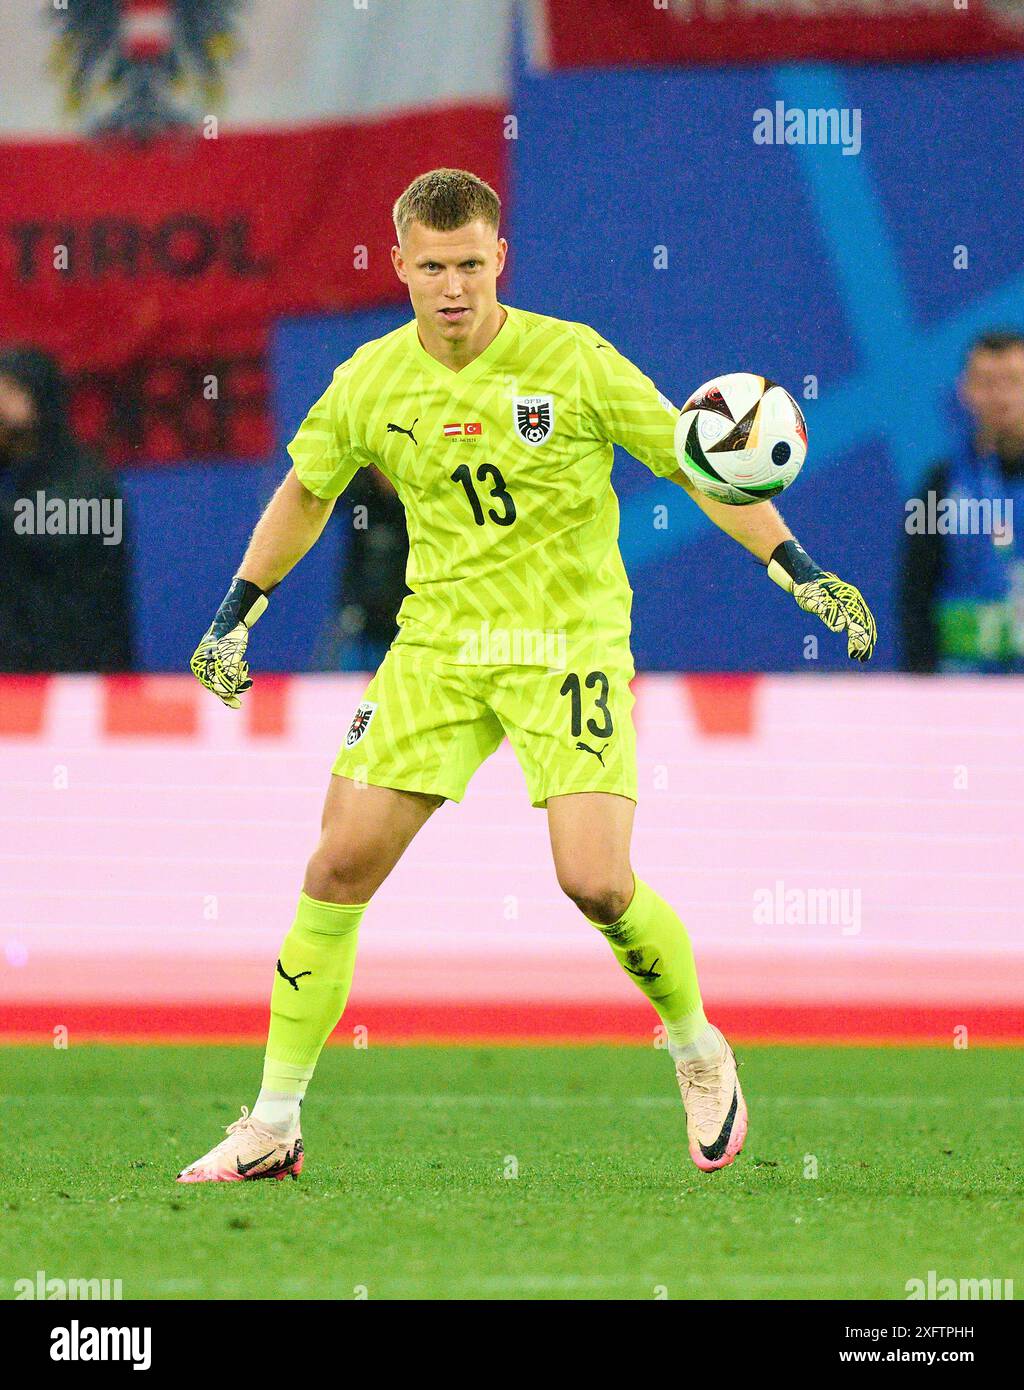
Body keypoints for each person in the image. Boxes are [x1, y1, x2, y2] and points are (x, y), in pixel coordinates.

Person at [180, 168, 876, 1184]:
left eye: (470, 265)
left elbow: (696, 463)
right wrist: (235, 614)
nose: (453, 287)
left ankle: (695, 1044)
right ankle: (274, 1120)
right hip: (440, 647)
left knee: (592, 880)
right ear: (400, 266)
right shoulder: (371, 379)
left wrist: (797, 569)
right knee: (337, 863)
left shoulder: (574, 361)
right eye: (432, 268)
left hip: (567, 642)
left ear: (498, 258)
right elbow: (305, 490)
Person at [0, 346, 133, 673]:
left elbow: (47, 536)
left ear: (42, 400)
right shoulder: (10, 475)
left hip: (78, 674)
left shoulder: (87, 482)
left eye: (10, 392)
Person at [900, 330, 1024, 673]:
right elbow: (916, 600)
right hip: (962, 692)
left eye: (1013, 381)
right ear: (965, 391)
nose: (1001, 397)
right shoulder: (939, 487)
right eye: (986, 383)